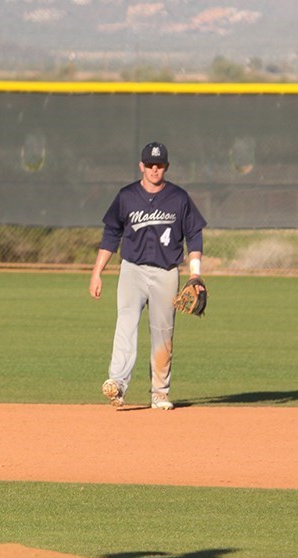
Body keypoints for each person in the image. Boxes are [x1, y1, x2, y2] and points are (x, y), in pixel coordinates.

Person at [89, 142, 206, 411]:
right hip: (132, 270)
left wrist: (195, 274)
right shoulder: (126, 196)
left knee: (163, 332)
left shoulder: (179, 198)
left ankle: (160, 393)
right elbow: (111, 235)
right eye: (150, 164)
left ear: (166, 166)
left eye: (160, 164)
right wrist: (97, 273)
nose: (155, 169)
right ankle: (117, 384)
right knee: (126, 323)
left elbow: (194, 235)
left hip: (167, 272)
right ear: (141, 165)